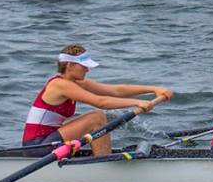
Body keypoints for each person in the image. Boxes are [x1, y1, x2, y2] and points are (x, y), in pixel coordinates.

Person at [22, 45, 171, 156]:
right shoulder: (59, 84)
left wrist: (153, 89)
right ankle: (103, 163)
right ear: (70, 65)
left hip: (50, 139)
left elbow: (116, 90)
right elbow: (101, 102)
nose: (87, 70)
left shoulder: (77, 83)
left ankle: (100, 156)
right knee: (96, 117)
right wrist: (137, 102)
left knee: (90, 117)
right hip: (36, 146)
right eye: (84, 66)